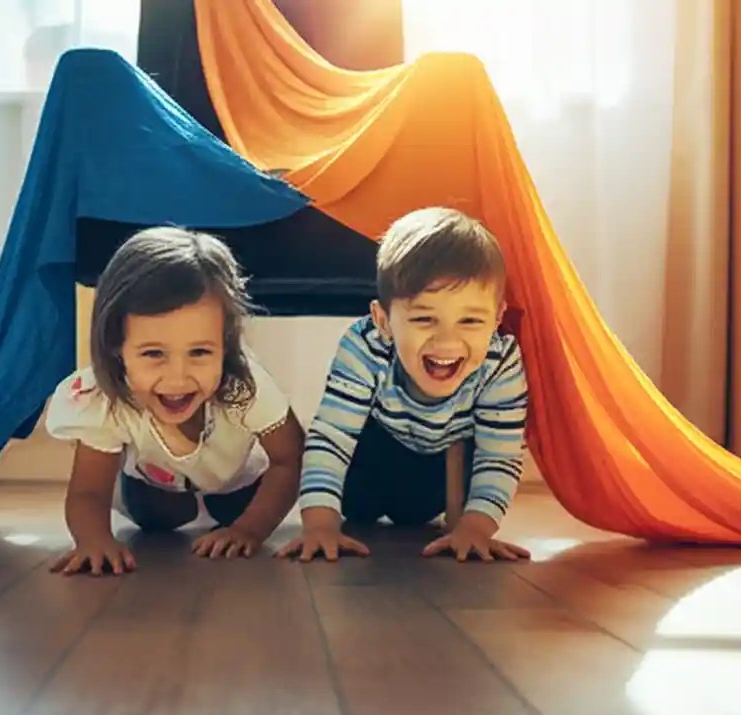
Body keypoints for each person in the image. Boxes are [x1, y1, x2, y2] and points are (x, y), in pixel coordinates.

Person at [277, 207, 532, 563]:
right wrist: (319, 523)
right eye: (424, 318)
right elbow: (331, 436)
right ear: (383, 320)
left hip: (433, 471)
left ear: (497, 318)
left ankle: (442, 511)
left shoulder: (500, 360)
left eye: (471, 320)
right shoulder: (365, 345)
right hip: (373, 454)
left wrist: (477, 526)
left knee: (413, 515)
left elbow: (499, 453)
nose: (447, 341)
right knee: (358, 507)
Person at [46, 227, 303, 576]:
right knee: (160, 516)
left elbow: (289, 457)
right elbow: (89, 491)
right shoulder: (107, 397)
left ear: (226, 345)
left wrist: (249, 530)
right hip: (153, 488)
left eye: (200, 351)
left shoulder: (243, 387)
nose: (178, 378)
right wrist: (93, 541)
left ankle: (227, 513)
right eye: (154, 353)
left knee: (238, 507)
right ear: (116, 348)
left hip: (235, 484)